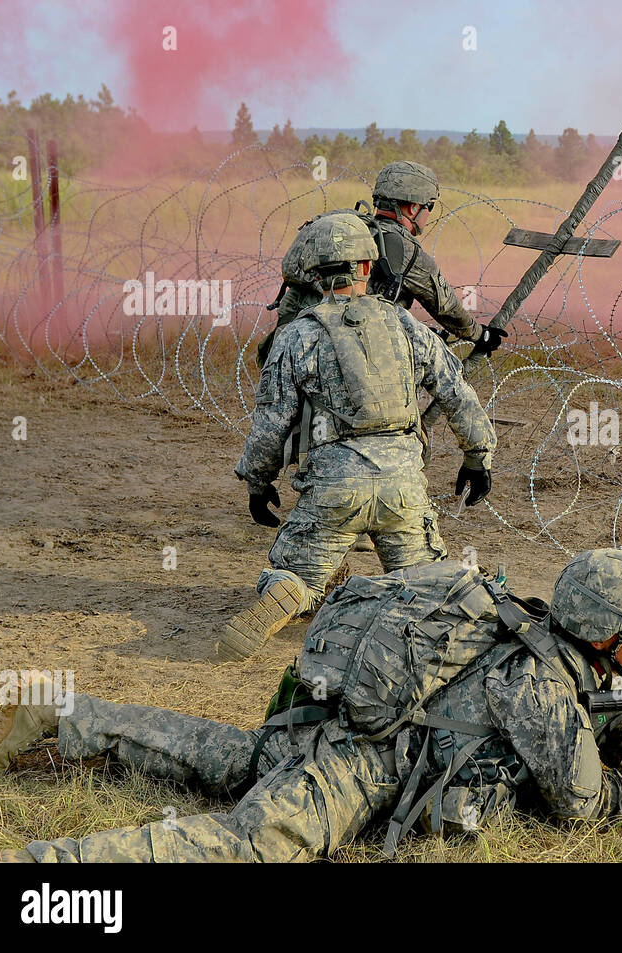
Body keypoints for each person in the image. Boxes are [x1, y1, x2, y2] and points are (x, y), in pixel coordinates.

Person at [0, 550, 622, 863]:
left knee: (227, 756)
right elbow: (584, 804)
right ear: (603, 632)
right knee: (245, 846)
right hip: (357, 770)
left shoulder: (526, 628)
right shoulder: (541, 681)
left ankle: (63, 714)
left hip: (323, 725)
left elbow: (586, 732)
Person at [221, 212, 496, 661]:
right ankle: (435, 610)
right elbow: (455, 392)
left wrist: (257, 481)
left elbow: (271, 423)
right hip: (403, 486)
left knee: (298, 576)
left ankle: (290, 592)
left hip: (333, 489)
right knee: (427, 584)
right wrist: (477, 455)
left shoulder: (298, 335)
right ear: (368, 267)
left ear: (313, 273)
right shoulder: (408, 327)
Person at [259, 160, 506, 366]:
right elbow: (446, 308)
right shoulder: (404, 248)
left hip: (290, 349)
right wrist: (481, 335)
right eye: (428, 206)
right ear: (413, 207)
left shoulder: (347, 231)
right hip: (351, 358)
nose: (429, 213)